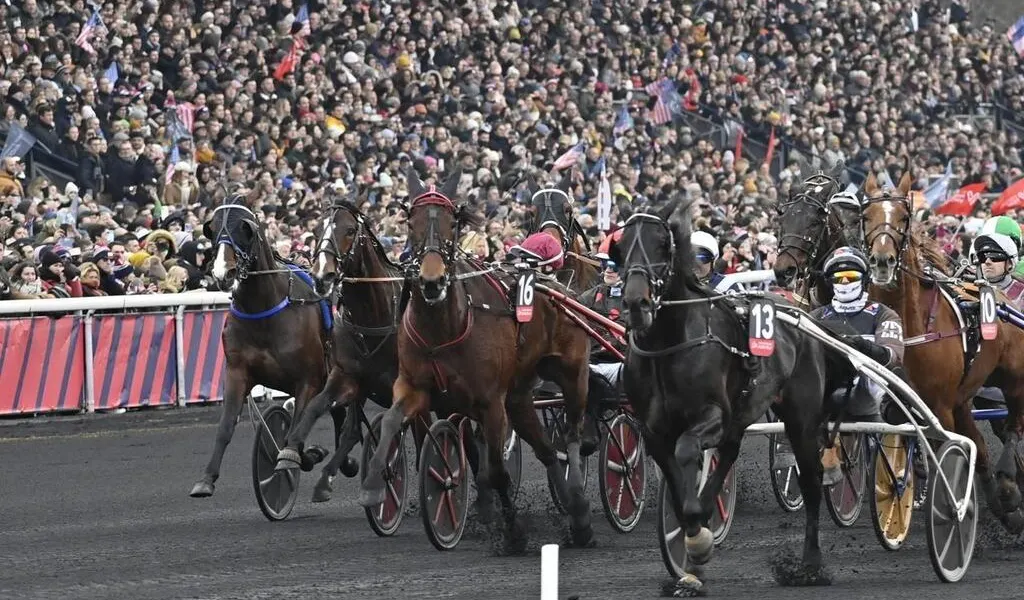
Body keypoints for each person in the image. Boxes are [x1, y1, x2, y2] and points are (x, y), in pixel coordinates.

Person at [776, 247, 905, 485]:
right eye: (839, 278)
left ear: (864, 280)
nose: (845, 282)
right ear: (831, 282)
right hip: (827, 392)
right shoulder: (816, 316)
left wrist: (861, 346)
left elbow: (891, 357)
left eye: (852, 277)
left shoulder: (884, 314)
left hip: (869, 393)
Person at [969, 216, 1024, 440]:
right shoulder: (970, 288)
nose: (987, 261)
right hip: (985, 376)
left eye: (995, 256)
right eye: (983, 256)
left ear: (1010, 260)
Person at [577, 255, 626, 455]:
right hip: (593, 361)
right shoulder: (588, 297)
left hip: (624, 362)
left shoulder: (637, 297)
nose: (608, 270)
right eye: (606, 265)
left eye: (614, 266)